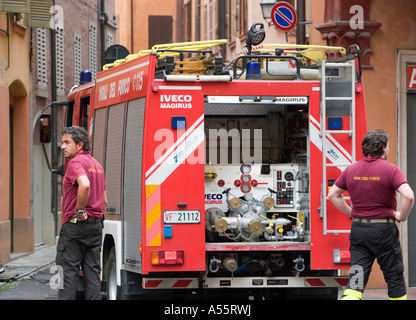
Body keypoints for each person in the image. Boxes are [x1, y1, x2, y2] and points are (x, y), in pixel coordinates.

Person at [328, 129, 414, 300]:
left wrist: (351, 212)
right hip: (384, 232)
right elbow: (409, 196)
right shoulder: (391, 170)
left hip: (359, 231)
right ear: (382, 148)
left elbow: (332, 195)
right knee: (394, 277)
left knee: (356, 280)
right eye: (388, 146)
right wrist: (401, 216)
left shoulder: (351, 170)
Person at [56, 126, 107, 300]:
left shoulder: (75, 163)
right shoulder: (97, 165)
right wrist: (97, 220)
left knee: (65, 273)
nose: (63, 146)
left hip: (75, 227)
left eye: (66, 142)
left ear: (79, 145)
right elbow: (104, 200)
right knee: (92, 274)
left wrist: (79, 211)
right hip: (95, 227)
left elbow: (84, 185)